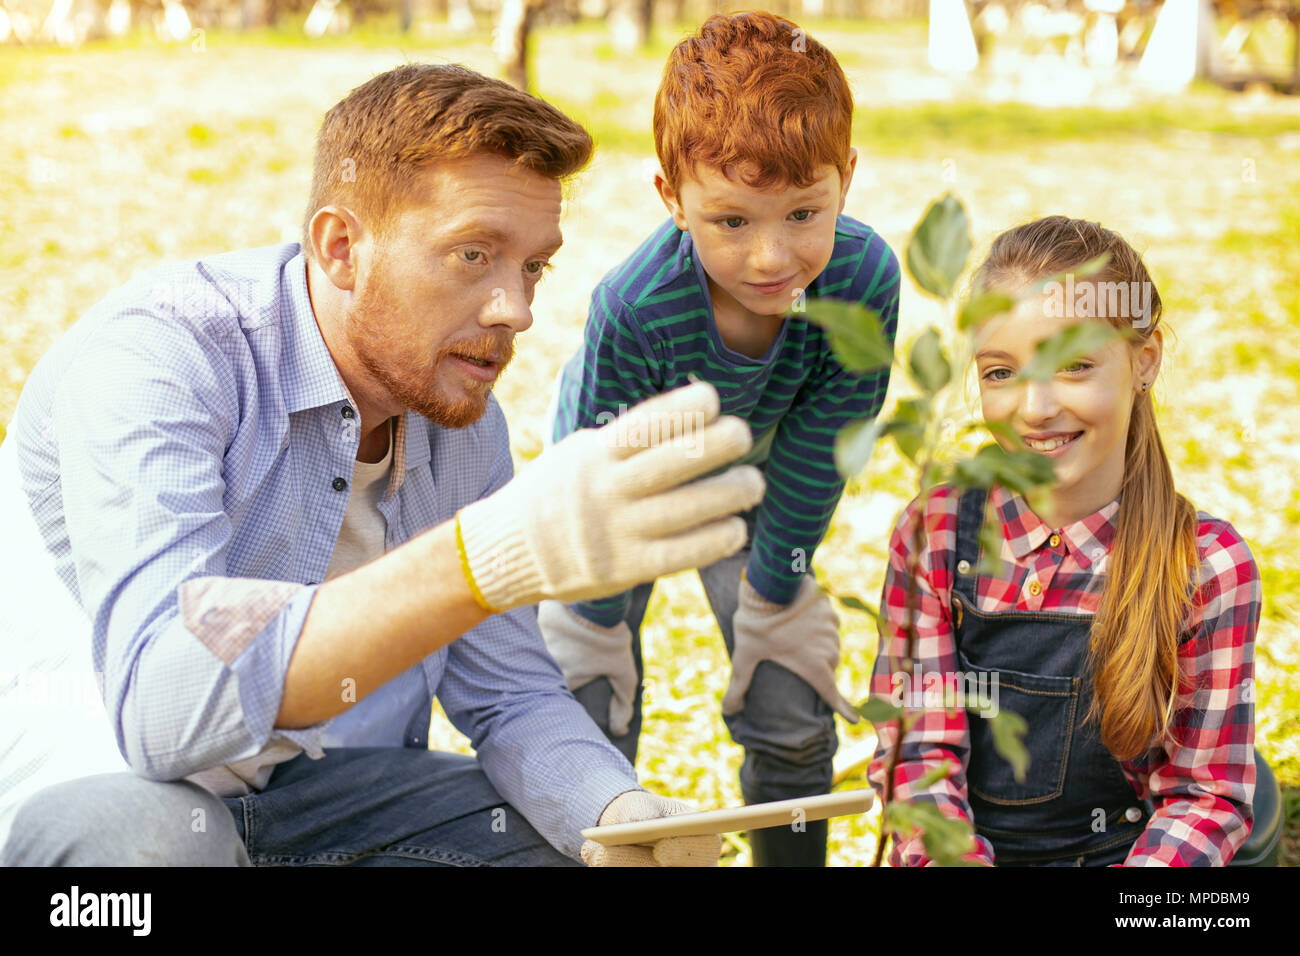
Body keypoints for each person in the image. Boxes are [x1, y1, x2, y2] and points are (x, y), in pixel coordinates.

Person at [0, 63, 769, 867]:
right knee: (146, 849)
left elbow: (507, 693)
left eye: (533, 266)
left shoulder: (459, 420)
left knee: (556, 845)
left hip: (314, 798)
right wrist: (479, 558)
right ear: (341, 247)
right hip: (104, 797)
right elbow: (166, 709)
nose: (518, 309)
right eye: (474, 254)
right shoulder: (159, 357)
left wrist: (618, 814)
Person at [538, 11, 901, 867]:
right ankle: (596, 841)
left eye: (804, 212)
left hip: (765, 482)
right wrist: (595, 613)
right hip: (622, 489)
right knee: (586, 688)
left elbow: (825, 438)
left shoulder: (861, 279)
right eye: (731, 222)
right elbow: (600, 466)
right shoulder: (636, 306)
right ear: (671, 198)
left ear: (846, 178)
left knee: (789, 690)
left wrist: (776, 592)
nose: (773, 257)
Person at [867, 216, 1259, 866]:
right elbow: (918, 754)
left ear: (1144, 361)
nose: (1036, 408)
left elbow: (1205, 796)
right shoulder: (933, 534)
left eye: (1074, 365)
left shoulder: (1206, 566)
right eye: (1000, 372)